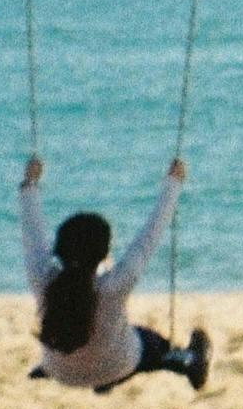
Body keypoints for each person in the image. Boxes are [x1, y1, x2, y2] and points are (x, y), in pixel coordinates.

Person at [19, 154, 209, 393]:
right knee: (153, 343)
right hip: (117, 365)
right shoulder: (115, 284)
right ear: (103, 253)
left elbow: (32, 230)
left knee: (96, 336)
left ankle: (93, 376)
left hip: (59, 372)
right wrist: (174, 183)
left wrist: (30, 182)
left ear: (59, 249)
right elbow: (151, 233)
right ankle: (189, 361)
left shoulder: (43, 277)